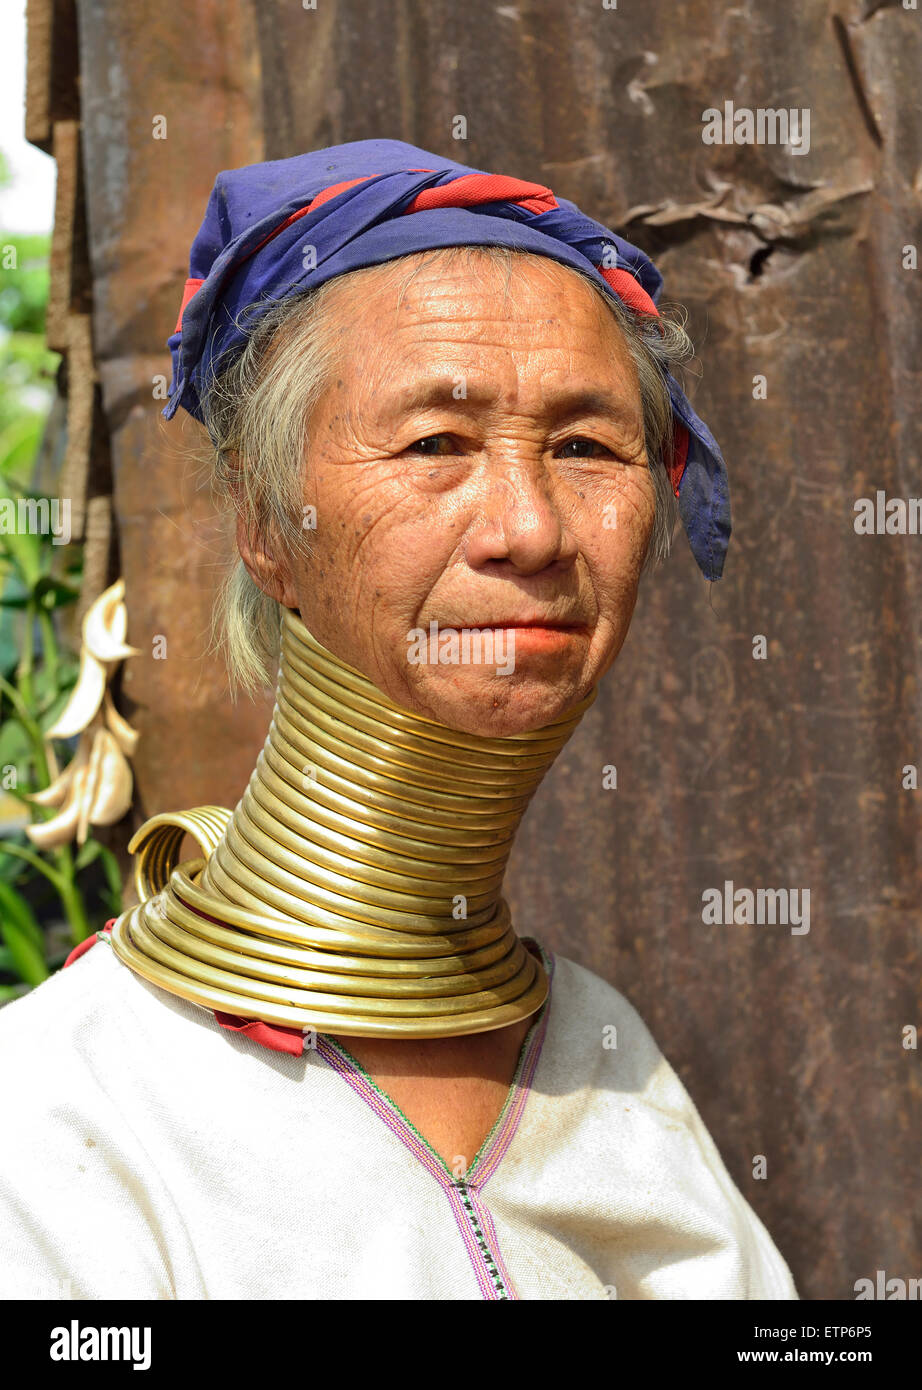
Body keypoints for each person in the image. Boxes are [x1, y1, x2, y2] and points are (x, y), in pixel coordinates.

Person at [0, 139, 796, 1300]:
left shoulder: (605, 1058)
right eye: (435, 443)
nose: (528, 528)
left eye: (585, 446)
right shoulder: (69, 1112)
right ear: (267, 523)